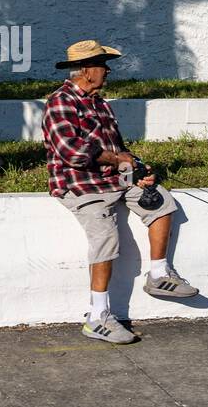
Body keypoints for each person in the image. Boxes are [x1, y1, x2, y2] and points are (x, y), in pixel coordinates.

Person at [43, 40, 198, 344]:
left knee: (162, 202)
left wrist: (138, 169)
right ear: (86, 69)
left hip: (114, 179)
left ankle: (158, 274)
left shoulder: (100, 103)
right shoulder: (61, 102)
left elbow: (119, 149)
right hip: (80, 184)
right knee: (106, 237)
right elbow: (72, 153)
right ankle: (97, 317)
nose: (107, 70)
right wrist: (118, 160)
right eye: (102, 64)